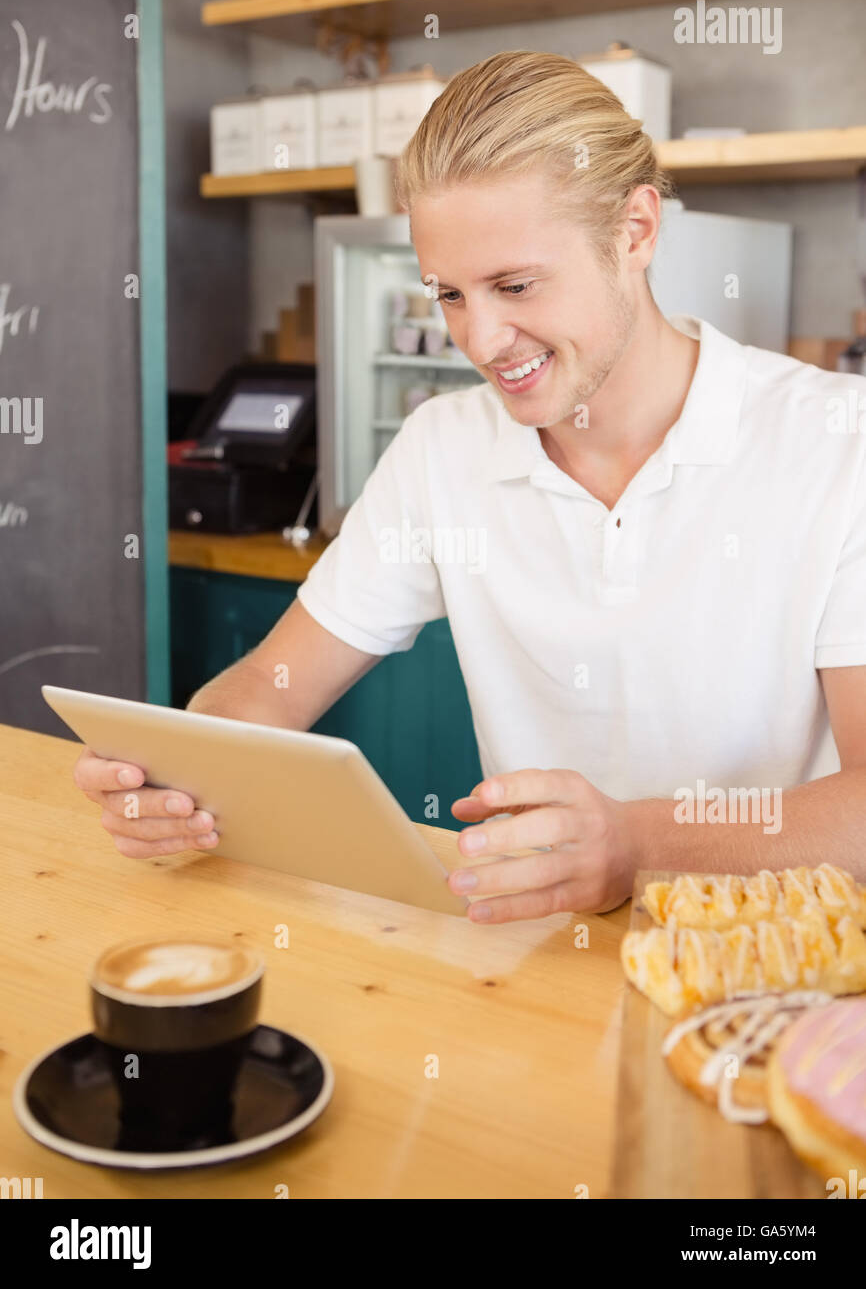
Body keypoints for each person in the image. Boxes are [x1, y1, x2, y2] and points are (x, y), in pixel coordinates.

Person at [73, 50, 866, 924]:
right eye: (448, 294)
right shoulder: (441, 450)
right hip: (535, 962)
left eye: (515, 285)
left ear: (635, 231)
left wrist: (636, 845)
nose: (482, 341)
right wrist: (171, 771)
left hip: (780, 980)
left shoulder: (835, 442)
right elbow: (272, 684)